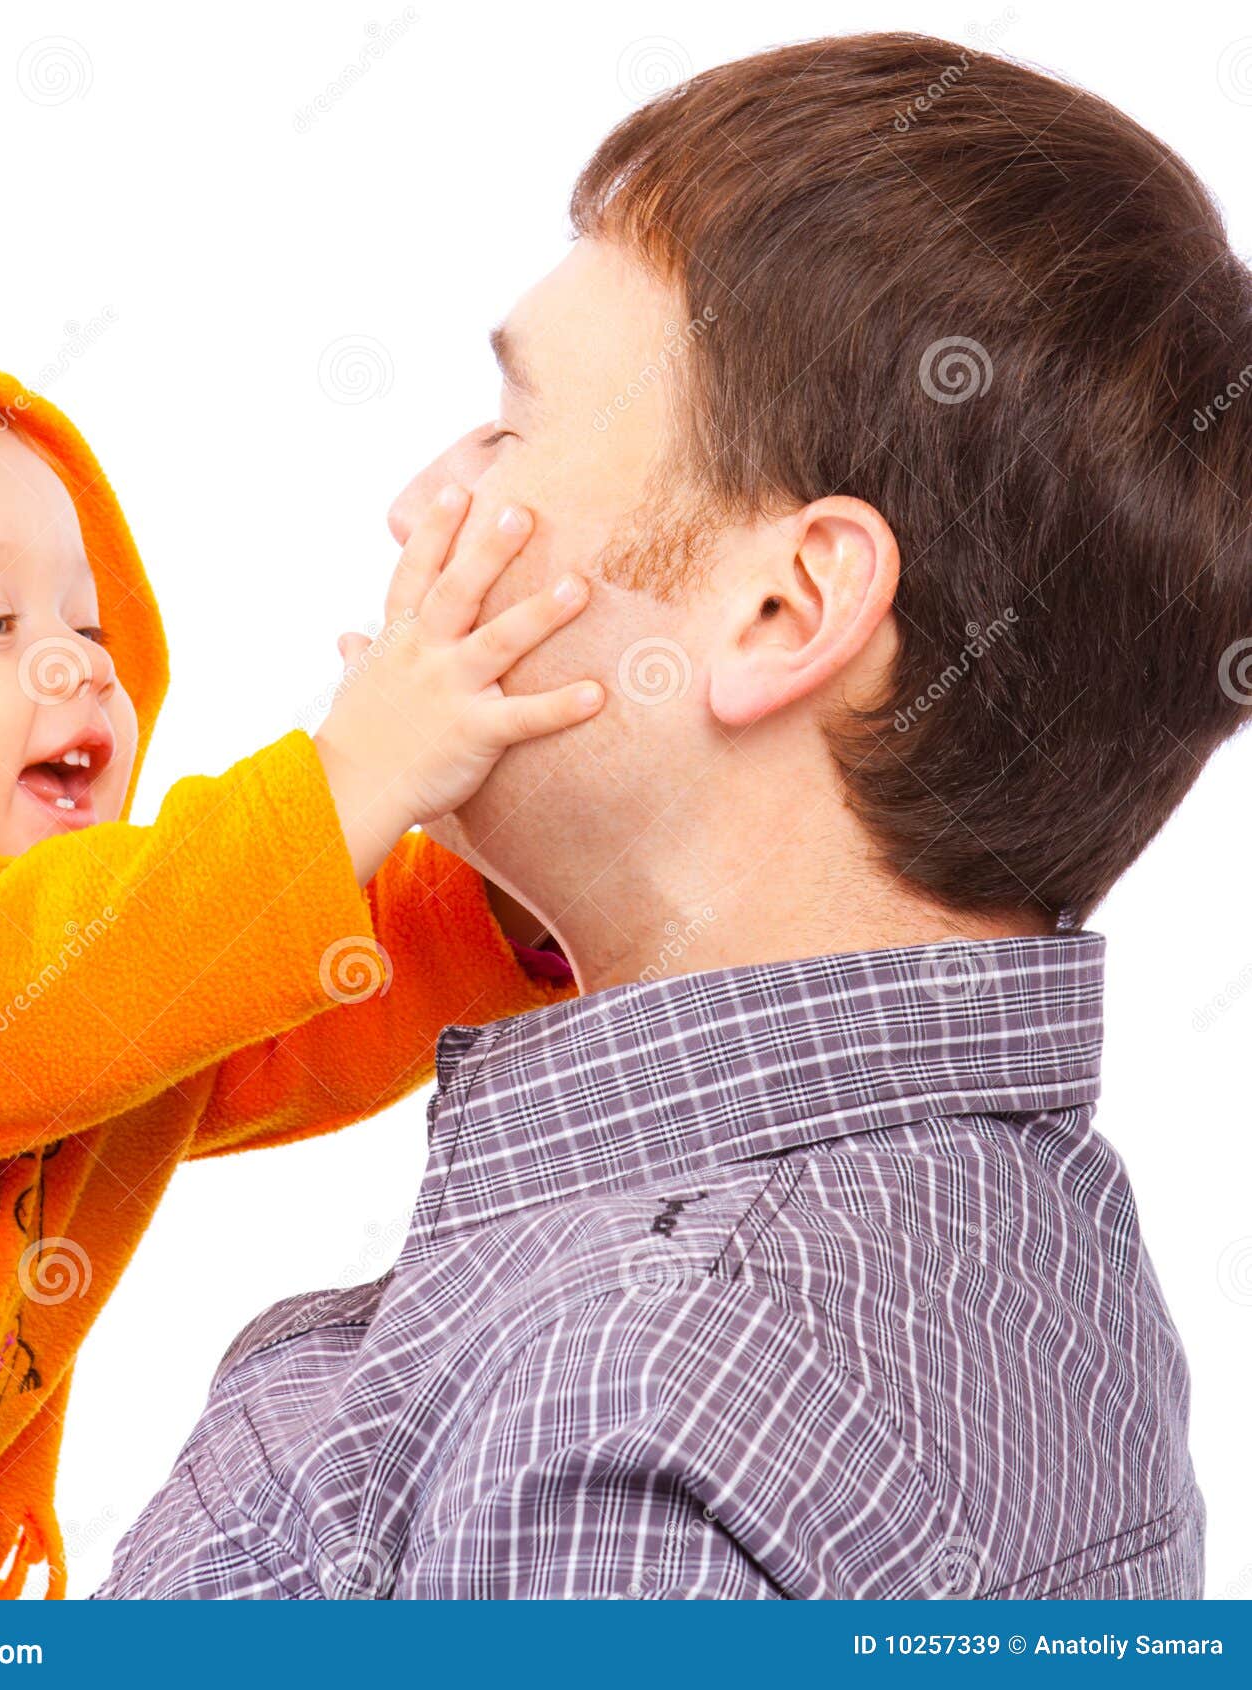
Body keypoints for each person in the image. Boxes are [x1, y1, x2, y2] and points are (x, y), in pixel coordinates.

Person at [97, 30, 1249, 1599]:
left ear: (783, 609)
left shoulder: (638, 1397)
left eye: (511, 428)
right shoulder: (1038, 1259)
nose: (419, 501)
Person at [0, 372, 603, 1598]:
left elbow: (274, 1009)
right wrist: (351, 773)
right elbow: (44, 987)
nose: (74, 666)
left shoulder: (108, 998)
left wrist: (503, 894)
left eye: (91, 627)